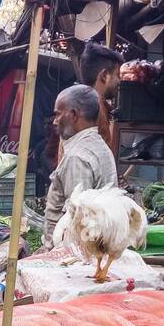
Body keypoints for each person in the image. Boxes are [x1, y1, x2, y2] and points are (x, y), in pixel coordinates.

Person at [42, 85, 119, 250]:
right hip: (95, 248)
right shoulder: (100, 146)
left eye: (58, 114)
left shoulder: (77, 156)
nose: (55, 121)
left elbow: (77, 218)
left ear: (74, 115)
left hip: (74, 253)